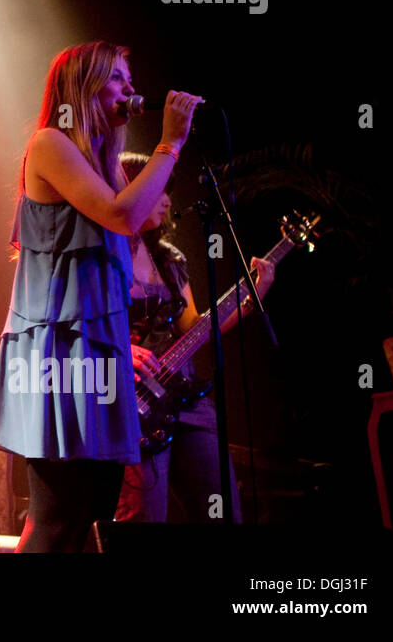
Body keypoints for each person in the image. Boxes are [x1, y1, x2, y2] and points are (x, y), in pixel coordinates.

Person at [0, 41, 203, 551]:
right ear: (82, 87)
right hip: (58, 346)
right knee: (60, 513)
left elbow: (129, 224)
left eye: (131, 79)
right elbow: (123, 216)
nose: (131, 89)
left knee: (96, 512)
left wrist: (120, 139)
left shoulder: (105, 162)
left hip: (101, 344)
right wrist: (169, 144)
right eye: (117, 79)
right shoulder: (49, 143)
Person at [115, 151, 274, 524]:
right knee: (144, 516)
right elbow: (77, 322)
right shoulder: (101, 254)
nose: (168, 200)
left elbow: (194, 328)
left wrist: (252, 298)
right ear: (130, 191)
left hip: (186, 399)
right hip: (130, 401)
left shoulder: (170, 259)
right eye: (158, 190)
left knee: (221, 511)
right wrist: (122, 350)